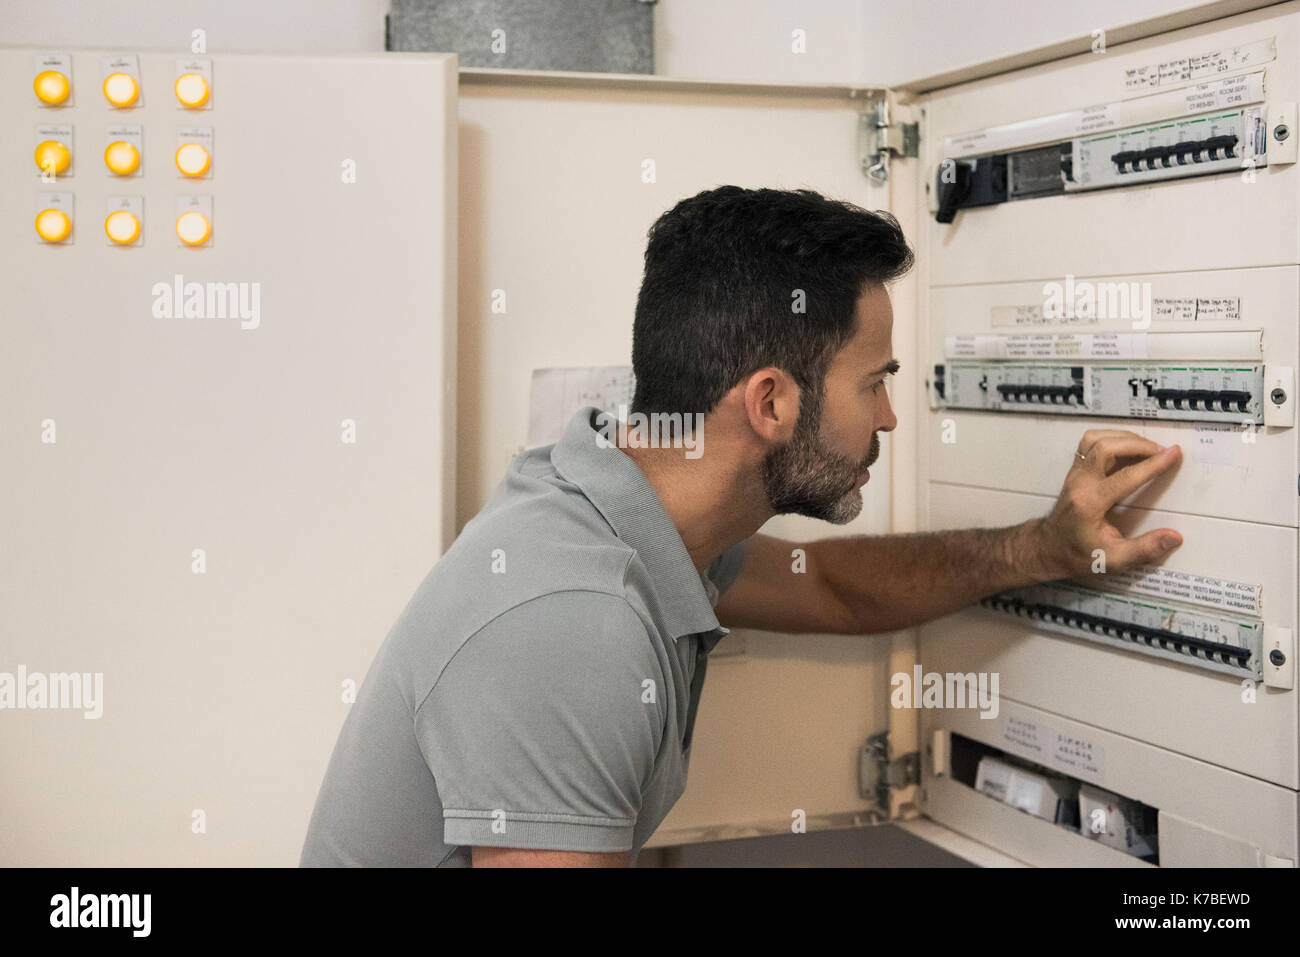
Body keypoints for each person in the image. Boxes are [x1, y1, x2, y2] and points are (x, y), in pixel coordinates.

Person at [299, 186, 1182, 867]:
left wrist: (1043, 546)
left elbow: (833, 588)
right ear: (769, 401)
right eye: (873, 382)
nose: (889, 420)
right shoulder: (573, 619)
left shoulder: (625, 511)